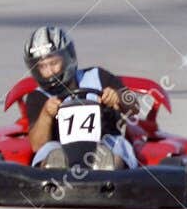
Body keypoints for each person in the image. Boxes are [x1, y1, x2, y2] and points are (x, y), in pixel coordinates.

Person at [20, 25, 139, 171]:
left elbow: (135, 107)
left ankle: (110, 171)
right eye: (43, 67)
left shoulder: (98, 76)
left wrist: (118, 97)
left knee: (119, 144)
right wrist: (46, 115)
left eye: (53, 63)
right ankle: (55, 172)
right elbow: (37, 145)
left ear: (68, 58)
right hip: (61, 147)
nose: (50, 71)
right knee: (49, 150)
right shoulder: (38, 97)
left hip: (105, 141)